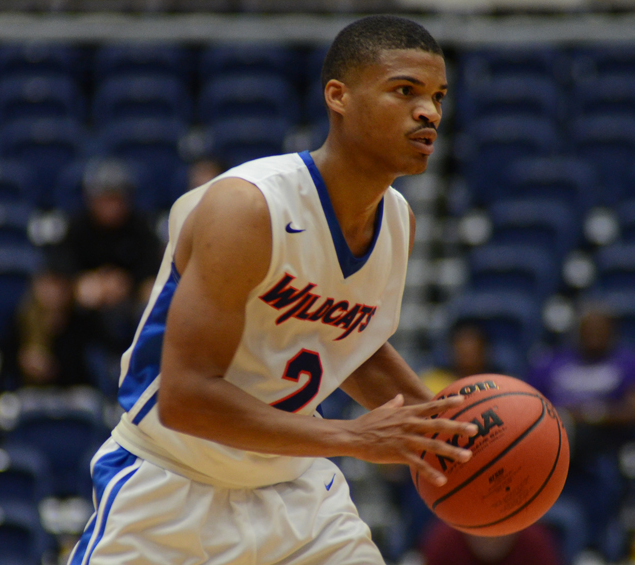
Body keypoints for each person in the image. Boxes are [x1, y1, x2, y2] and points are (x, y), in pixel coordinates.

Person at [68, 16, 479, 565]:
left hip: (297, 496)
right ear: (339, 96)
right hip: (170, 488)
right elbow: (186, 398)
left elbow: (345, 340)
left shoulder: (398, 223)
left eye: (437, 96)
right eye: (405, 91)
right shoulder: (248, 207)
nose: (429, 112)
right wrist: (356, 438)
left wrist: (439, 429)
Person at [525, 307, 635, 560]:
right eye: (588, 328)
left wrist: (589, 415)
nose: (594, 334)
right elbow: (529, 408)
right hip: (552, 450)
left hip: (605, 450)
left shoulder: (631, 362)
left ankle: (599, 547)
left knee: (604, 474)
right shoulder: (552, 363)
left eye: (601, 328)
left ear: (612, 332)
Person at [48, 159, 164, 352]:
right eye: (105, 199)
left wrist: (127, 284)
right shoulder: (78, 225)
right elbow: (60, 262)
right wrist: (81, 282)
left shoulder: (140, 226)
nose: (111, 207)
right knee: (52, 294)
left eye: (117, 199)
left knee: (155, 295)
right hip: (84, 304)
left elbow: (153, 267)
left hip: (131, 303)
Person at [421, 521, 562, 565]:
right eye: (483, 530)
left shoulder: (535, 541)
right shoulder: (443, 541)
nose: (491, 538)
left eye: (497, 531)